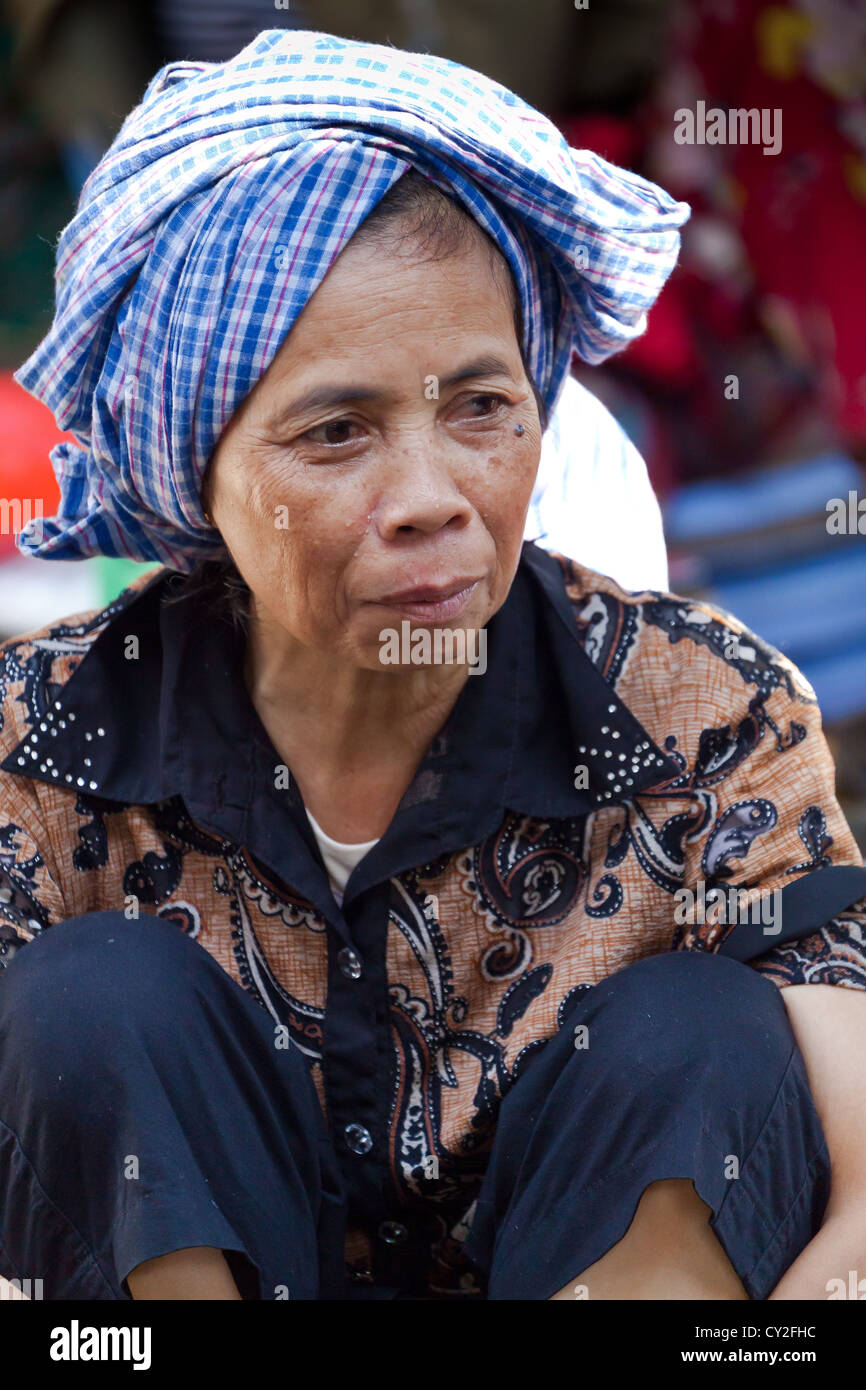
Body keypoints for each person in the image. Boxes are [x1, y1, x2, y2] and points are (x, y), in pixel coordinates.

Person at [1, 29, 865, 1303]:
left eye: (480, 407)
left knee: (703, 1029)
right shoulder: (43, 736)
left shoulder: (702, 709)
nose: (433, 499)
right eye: (337, 431)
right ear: (203, 474)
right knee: (89, 1002)